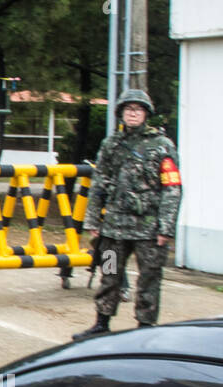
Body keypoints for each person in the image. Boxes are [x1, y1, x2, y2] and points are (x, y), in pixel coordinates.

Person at [73, 89, 181, 340]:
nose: (133, 113)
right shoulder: (111, 145)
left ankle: (145, 328)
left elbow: (172, 187)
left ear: (146, 114)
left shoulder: (162, 146)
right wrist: (92, 220)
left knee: (149, 279)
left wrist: (166, 227)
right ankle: (101, 322)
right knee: (109, 274)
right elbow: (99, 183)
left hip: (149, 230)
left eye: (138, 109)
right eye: (128, 109)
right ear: (121, 113)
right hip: (113, 229)